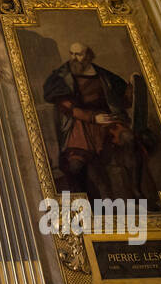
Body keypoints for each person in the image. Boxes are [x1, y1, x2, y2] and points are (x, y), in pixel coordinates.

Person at [42, 42, 146, 202]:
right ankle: (86, 202)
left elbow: (123, 100)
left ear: (89, 55)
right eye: (71, 54)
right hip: (80, 123)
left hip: (106, 119)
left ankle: (136, 191)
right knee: (75, 164)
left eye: (79, 54)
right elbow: (66, 106)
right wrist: (91, 118)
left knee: (129, 139)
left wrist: (132, 85)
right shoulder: (62, 76)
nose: (74, 58)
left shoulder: (103, 75)